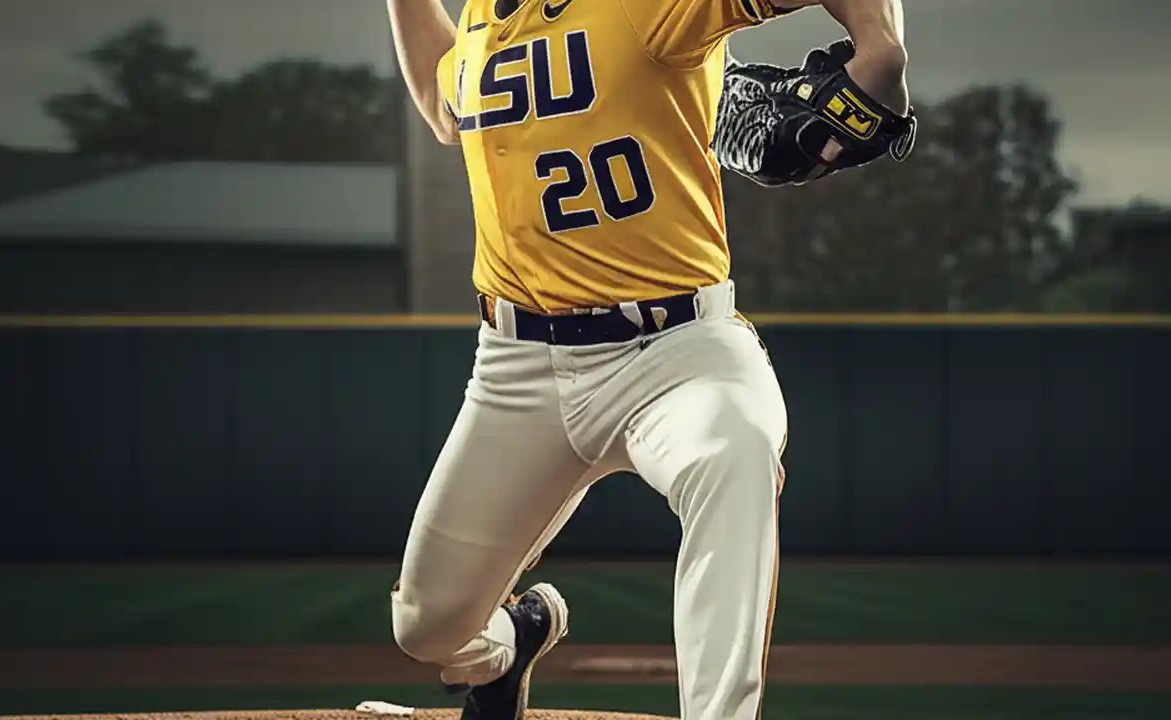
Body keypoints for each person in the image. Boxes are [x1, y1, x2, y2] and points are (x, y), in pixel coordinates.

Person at [385, 1, 913, 718]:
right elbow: (442, 107)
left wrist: (881, 45)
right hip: (517, 370)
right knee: (427, 626)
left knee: (731, 454)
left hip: (675, 354)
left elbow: (874, 45)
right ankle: (512, 639)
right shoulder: (483, 22)